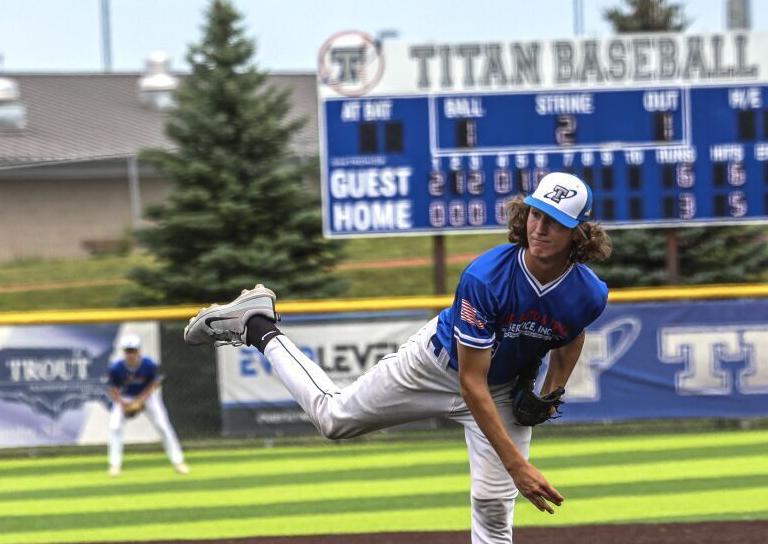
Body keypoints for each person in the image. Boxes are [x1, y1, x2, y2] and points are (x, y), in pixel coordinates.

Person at [184, 172, 611, 544]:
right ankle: (258, 325)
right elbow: (470, 383)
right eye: (536, 214)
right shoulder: (486, 278)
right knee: (333, 419)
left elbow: (571, 334)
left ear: (578, 234)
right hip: (434, 368)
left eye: (556, 222)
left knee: (494, 506)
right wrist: (517, 465)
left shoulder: (590, 293)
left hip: (499, 389)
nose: (540, 228)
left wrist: (551, 392)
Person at [107, 333, 189, 476]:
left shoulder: (148, 365)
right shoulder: (116, 368)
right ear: (124, 352)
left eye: (133, 350)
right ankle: (115, 465)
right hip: (126, 397)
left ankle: (178, 462)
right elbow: (112, 389)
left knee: (163, 426)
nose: (130, 354)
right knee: (115, 426)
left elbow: (154, 384)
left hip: (148, 397)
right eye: (128, 351)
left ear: (139, 351)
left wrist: (140, 400)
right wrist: (122, 403)